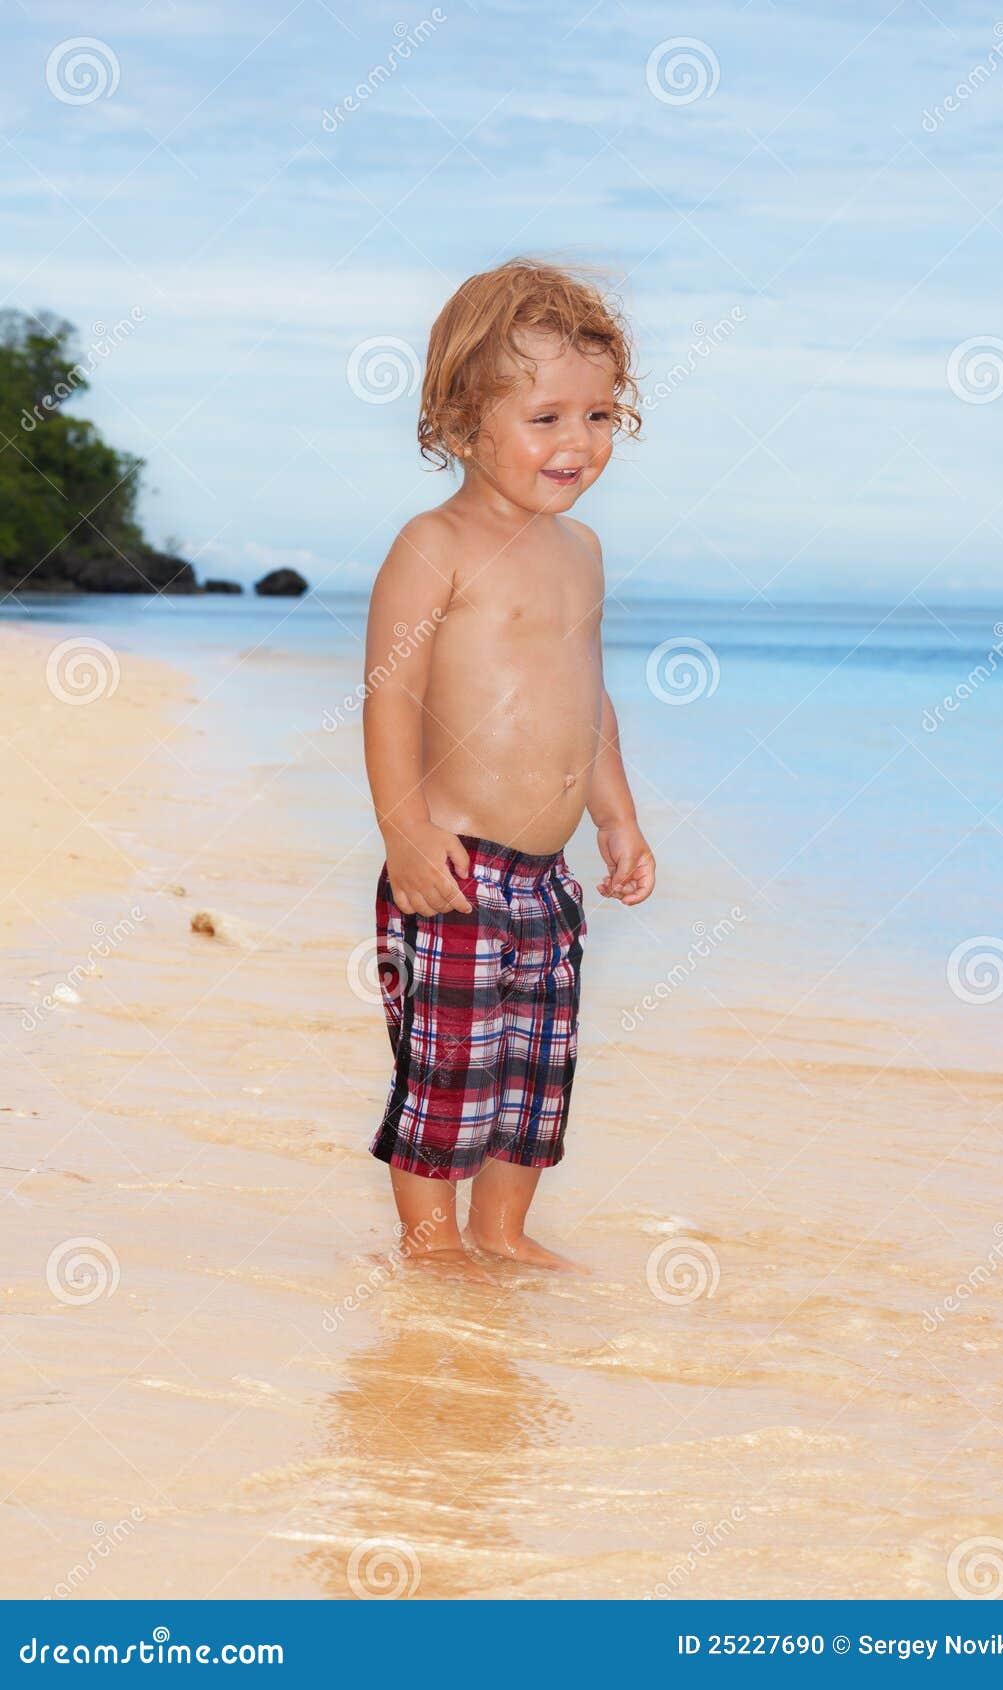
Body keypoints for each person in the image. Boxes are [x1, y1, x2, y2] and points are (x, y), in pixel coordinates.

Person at [363, 256, 656, 1270]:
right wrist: (403, 830)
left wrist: (614, 814)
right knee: (449, 1070)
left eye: (599, 416)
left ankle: (502, 1228)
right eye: (546, 418)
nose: (577, 443)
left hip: (545, 880)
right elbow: (389, 694)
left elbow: (588, 696)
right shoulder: (430, 545)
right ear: (459, 423)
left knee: (535, 1072)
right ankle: (429, 1236)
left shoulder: (580, 555)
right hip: (450, 866)